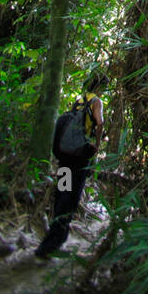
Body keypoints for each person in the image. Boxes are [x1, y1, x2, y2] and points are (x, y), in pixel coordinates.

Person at [35, 72, 107, 259]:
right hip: (79, 158)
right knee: (71, 198)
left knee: (62, 194)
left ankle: (52, 240)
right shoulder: (96, 101)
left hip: (65, 157)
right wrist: (96, 146)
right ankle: (53, 243)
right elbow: (100, 123)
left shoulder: (79, 99)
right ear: (99, 87)